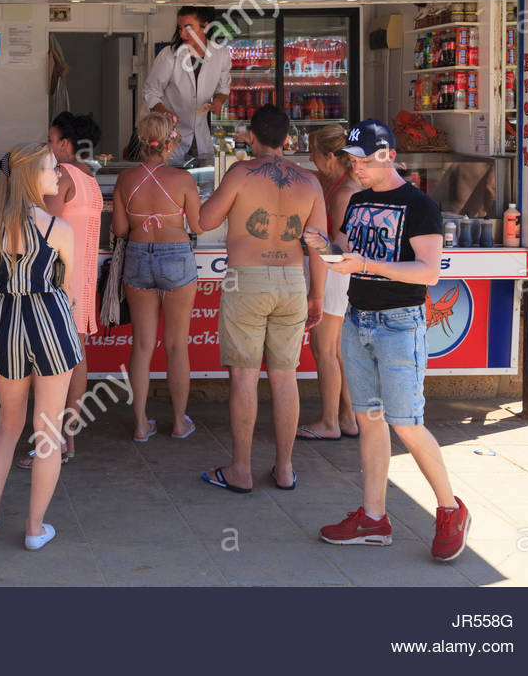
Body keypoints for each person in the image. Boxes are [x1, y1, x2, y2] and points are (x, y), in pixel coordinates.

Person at [320, 119, 469, 561]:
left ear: (387, 156)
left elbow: (429, 272)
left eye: (364, 161)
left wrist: (365, 265)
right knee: (368, 419)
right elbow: (348, 249)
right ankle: (374, 518)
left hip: (400, 322)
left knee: (406, 422)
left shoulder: (419, 205)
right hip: (358, 318)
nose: (357, 169)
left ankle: (449, 508)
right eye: (351, 161)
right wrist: (324, 246)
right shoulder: (360, 200)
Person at [197, 105, 326, 494]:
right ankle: (284, 469)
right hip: (292, 280)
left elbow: (203, 221)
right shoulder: (310, 182)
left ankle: (240, 470)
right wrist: (317, 294)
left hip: (246, 281)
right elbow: (318, 246)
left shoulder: (240, 173)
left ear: (250, 136)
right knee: (286, 377)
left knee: (244, 375)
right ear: (287, 139)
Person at [0, 142, 84, 551]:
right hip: (51, 325)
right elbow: (67, 288)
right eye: (52, 169)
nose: (58, 174)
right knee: (48, 432)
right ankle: (34, 529)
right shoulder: (58, 229)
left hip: (7, 326)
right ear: (30, 176)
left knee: (6, 426)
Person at [111, 112, 202, 442]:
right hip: (176, 256)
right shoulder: (183, 180)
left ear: (140, 139)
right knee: (177, 345)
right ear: (171, 143)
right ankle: (179, 422)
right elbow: (200, 225)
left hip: (137, 256)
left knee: (143, 345)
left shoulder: (126, 180)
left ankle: (140, 425)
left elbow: (120, 230)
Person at [298, 124, 361, 441]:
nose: (310, 158)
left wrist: (311, 238)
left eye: (314, 153)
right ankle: (348, 418)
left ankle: (328, 422)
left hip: (335, 277)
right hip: (341, 276)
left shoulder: (344, 193)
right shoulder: (340, 182)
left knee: (324, 350)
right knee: (336, 352)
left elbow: (339, 250)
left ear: (331, 156)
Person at [48, 111, 103, 463]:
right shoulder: (91, 180)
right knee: (76, 359)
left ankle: (50, 443)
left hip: (58, 281)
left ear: (65, 144)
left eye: (51, 141)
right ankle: (69, 438)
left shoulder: (63, 175)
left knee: (54, 364)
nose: (49, 148)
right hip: (83, 282)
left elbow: (46, 228)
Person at [143, 6, 231, 167]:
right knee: (171, 181)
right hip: (170, 138)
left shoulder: (221, 54)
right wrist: (168, 115)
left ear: (206, 26)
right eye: (180, 28)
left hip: (201, 137)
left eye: (188, 28)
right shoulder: (169, 55)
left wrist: (218, 101)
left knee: (204, 184)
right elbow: (151, 92)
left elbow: (223, 88)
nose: (182, 34)